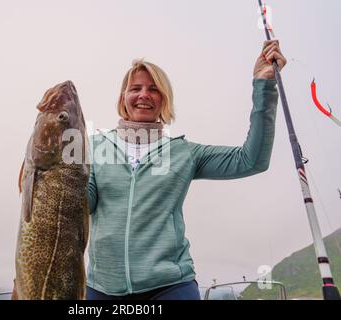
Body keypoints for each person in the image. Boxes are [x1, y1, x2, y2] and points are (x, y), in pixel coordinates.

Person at [85, 40, 287, 300]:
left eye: (154, 89)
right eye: (135, 88)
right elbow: (84, 202)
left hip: (171, 287)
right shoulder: (93, 147)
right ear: (123, 97)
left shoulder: (185, 153)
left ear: (164, 99)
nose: (144, 95)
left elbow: (251, 159)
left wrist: (264, 86)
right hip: (102, 289)